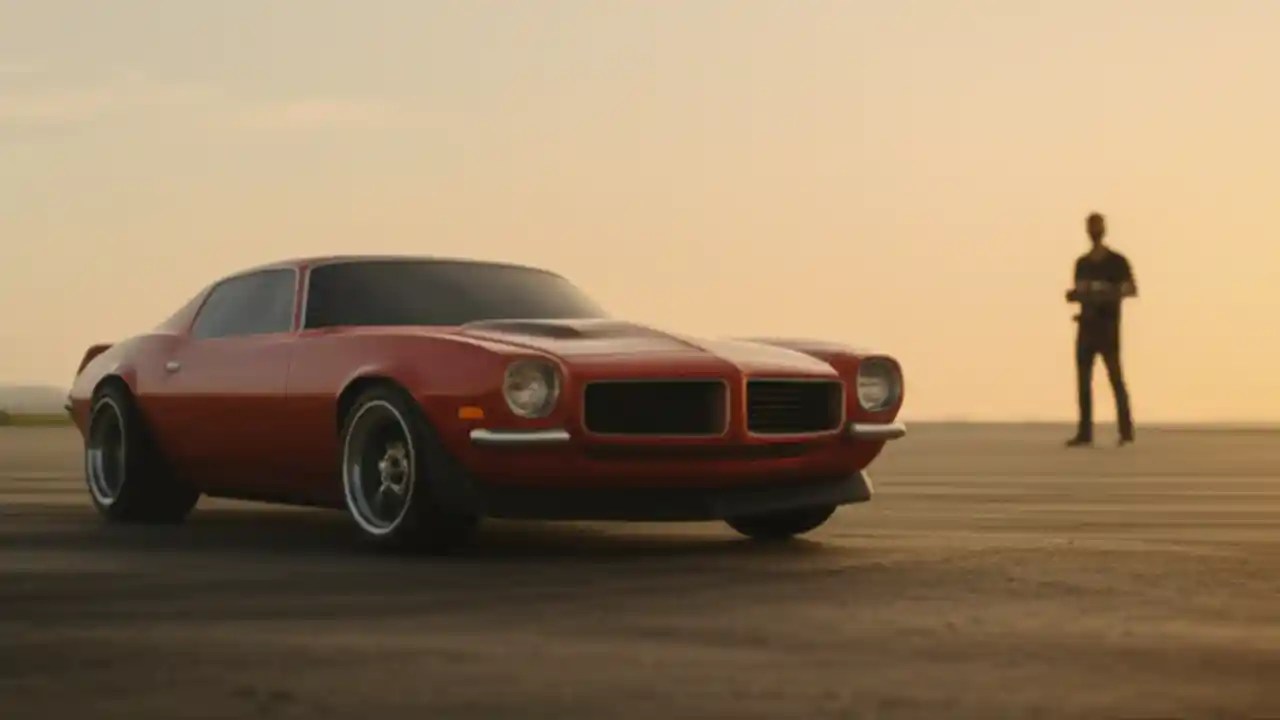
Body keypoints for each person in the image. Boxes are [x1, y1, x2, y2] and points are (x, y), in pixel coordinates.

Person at [1065, 212, 1136, 447]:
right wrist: (1080, 295)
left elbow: (1129, 289)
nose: (1093, 230)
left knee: (1115, 378)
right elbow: (1079, 290)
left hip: (1107, 328)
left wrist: (1104, 294)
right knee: (1083, 382)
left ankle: (1126, 431)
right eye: (1091, 226)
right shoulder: (1082, 264)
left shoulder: (1117, 261)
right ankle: (1085, 432)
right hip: (1086, 328)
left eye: (1096, 226)